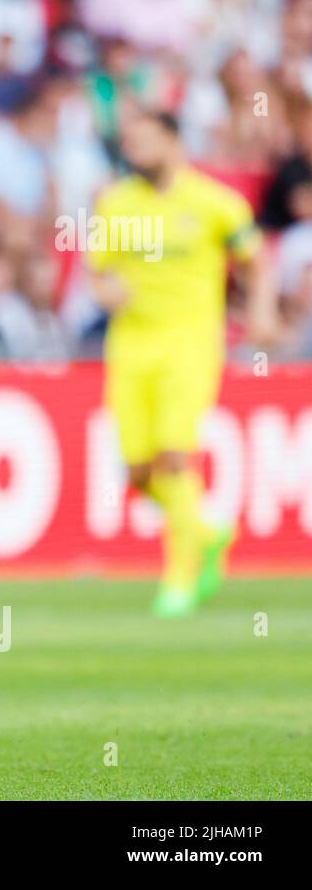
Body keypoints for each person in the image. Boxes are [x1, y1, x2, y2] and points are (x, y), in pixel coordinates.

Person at [86, 108, 278, 617]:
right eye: (128, 142)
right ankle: (210, 533)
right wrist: (109, 293)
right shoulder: (114, 202)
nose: (134, 150)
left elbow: (256, 261)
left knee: (175, 456)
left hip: (190, 344)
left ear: (173, 140)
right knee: (138, 472)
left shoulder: (215, 203)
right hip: (130, 348)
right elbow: (98, 273)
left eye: (144, 139)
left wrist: (260, 309)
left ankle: (178, 579)